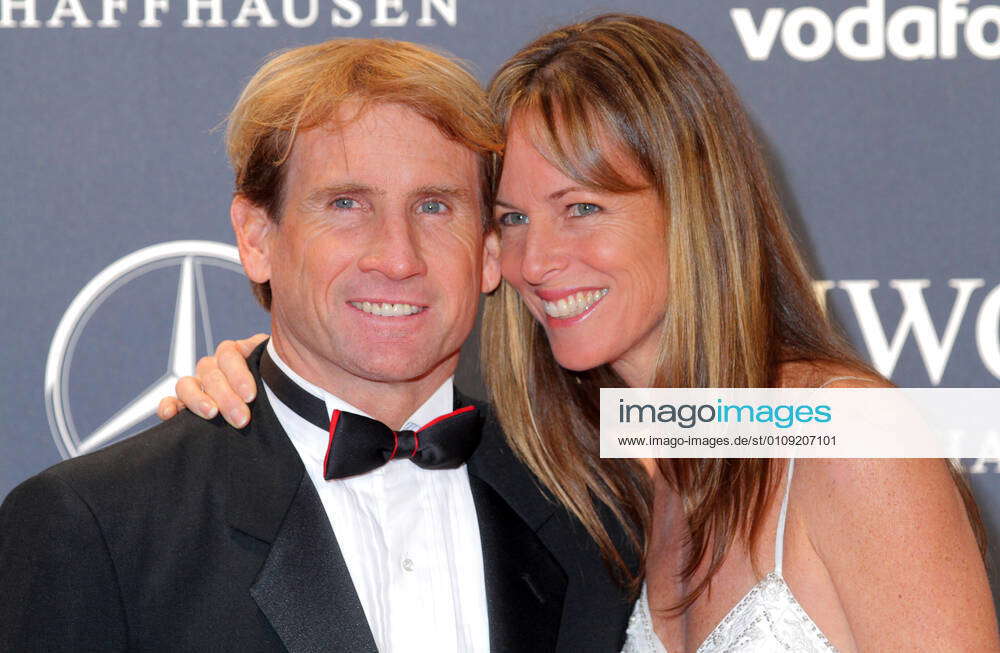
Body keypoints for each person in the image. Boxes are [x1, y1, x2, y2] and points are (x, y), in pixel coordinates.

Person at [163, 14, 1000, 652]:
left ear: (695, 207)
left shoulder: (842, 435)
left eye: (584, 208)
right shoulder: (616, 459)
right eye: (514, 218)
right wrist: (270, 380)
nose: (536, 260)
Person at [0, 38, 638, 652]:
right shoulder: (98, 526)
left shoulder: (598, 490)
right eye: (346, 204)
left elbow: (706, 429)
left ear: (489, 252)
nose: (398, 258)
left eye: (434, 207)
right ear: (257, 238)